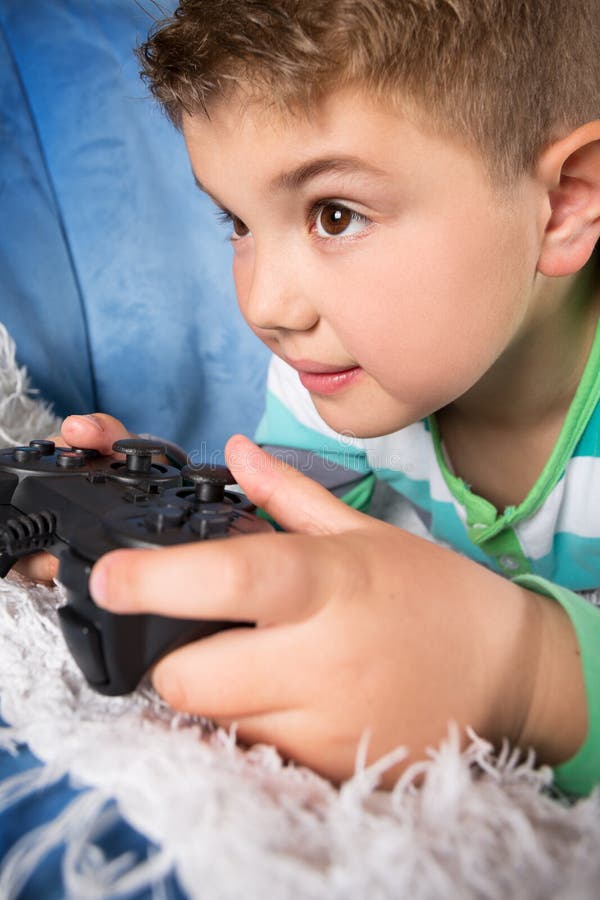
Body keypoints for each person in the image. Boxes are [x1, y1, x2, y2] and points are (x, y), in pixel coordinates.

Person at [24, 0, 600, 795]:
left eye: (334, 215)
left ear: (566, 201)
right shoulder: (328, 375)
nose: (267, 307)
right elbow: (314, 562)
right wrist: (167, 535)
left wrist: (527, 675)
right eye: (237, 220)